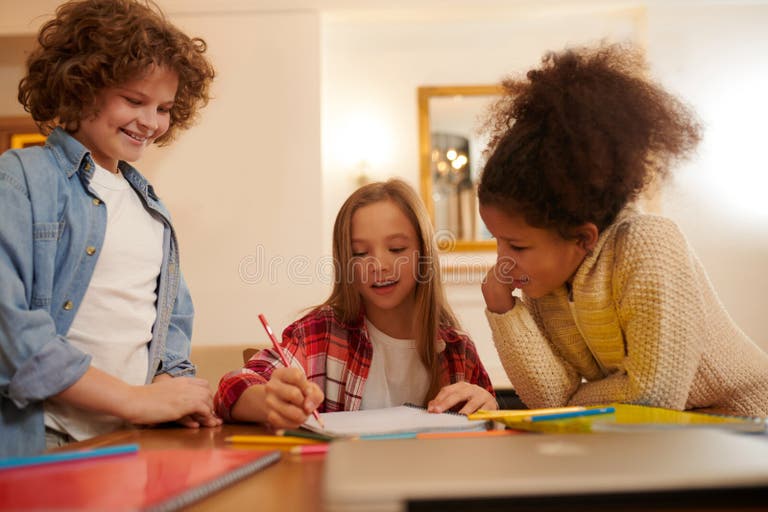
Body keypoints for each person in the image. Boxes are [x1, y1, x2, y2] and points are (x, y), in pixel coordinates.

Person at [478, 43, 768, 417]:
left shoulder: (649, 244)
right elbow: (550, 402)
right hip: (657, 439)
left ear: (584, 238)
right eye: (497, 240)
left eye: (516, 245)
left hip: (747, 428)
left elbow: (654, 398)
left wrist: (573, 403)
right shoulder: (543, 282)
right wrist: (503, 310)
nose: (503, 261)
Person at [0, 0, 220, 457]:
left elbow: (169, 328)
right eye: (134, 100)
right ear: (81, 87)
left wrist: (170, 387)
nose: (150, 122)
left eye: (163, 108)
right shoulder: (21, 176)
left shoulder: (150, 206)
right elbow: (11, 331)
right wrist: (137, 401)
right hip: (46, 441)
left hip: (130, 442)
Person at [215, 179, 497, 428]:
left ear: (424, 254)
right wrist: (268, 400)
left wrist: (490, 410)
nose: (379, 265)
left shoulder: (457, 350)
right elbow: (233, 386)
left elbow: (491, 430)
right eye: (360, 253)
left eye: (397, 249)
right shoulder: (320, 334)